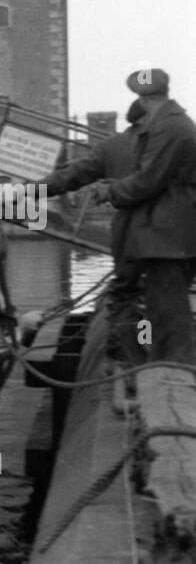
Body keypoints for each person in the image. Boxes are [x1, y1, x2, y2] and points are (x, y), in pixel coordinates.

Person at [37, 99, 148, 365]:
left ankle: (133, 355)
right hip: (172, 235)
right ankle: (160, 350)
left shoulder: (114, 147)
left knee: (127, 294)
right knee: (162, 295)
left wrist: (26, 191)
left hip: (133, 232)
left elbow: (71, 175)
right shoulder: (174, 143)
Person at [99, 69, 196, 366]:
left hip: (166, 235)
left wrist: (111, 191)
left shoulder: (170, 128)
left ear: (143, 101)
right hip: (162, 235)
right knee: (159, 306)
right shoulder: (176, 124)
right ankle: (157, 360)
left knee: (168, 309)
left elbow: (148, 181)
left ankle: (171, 367)